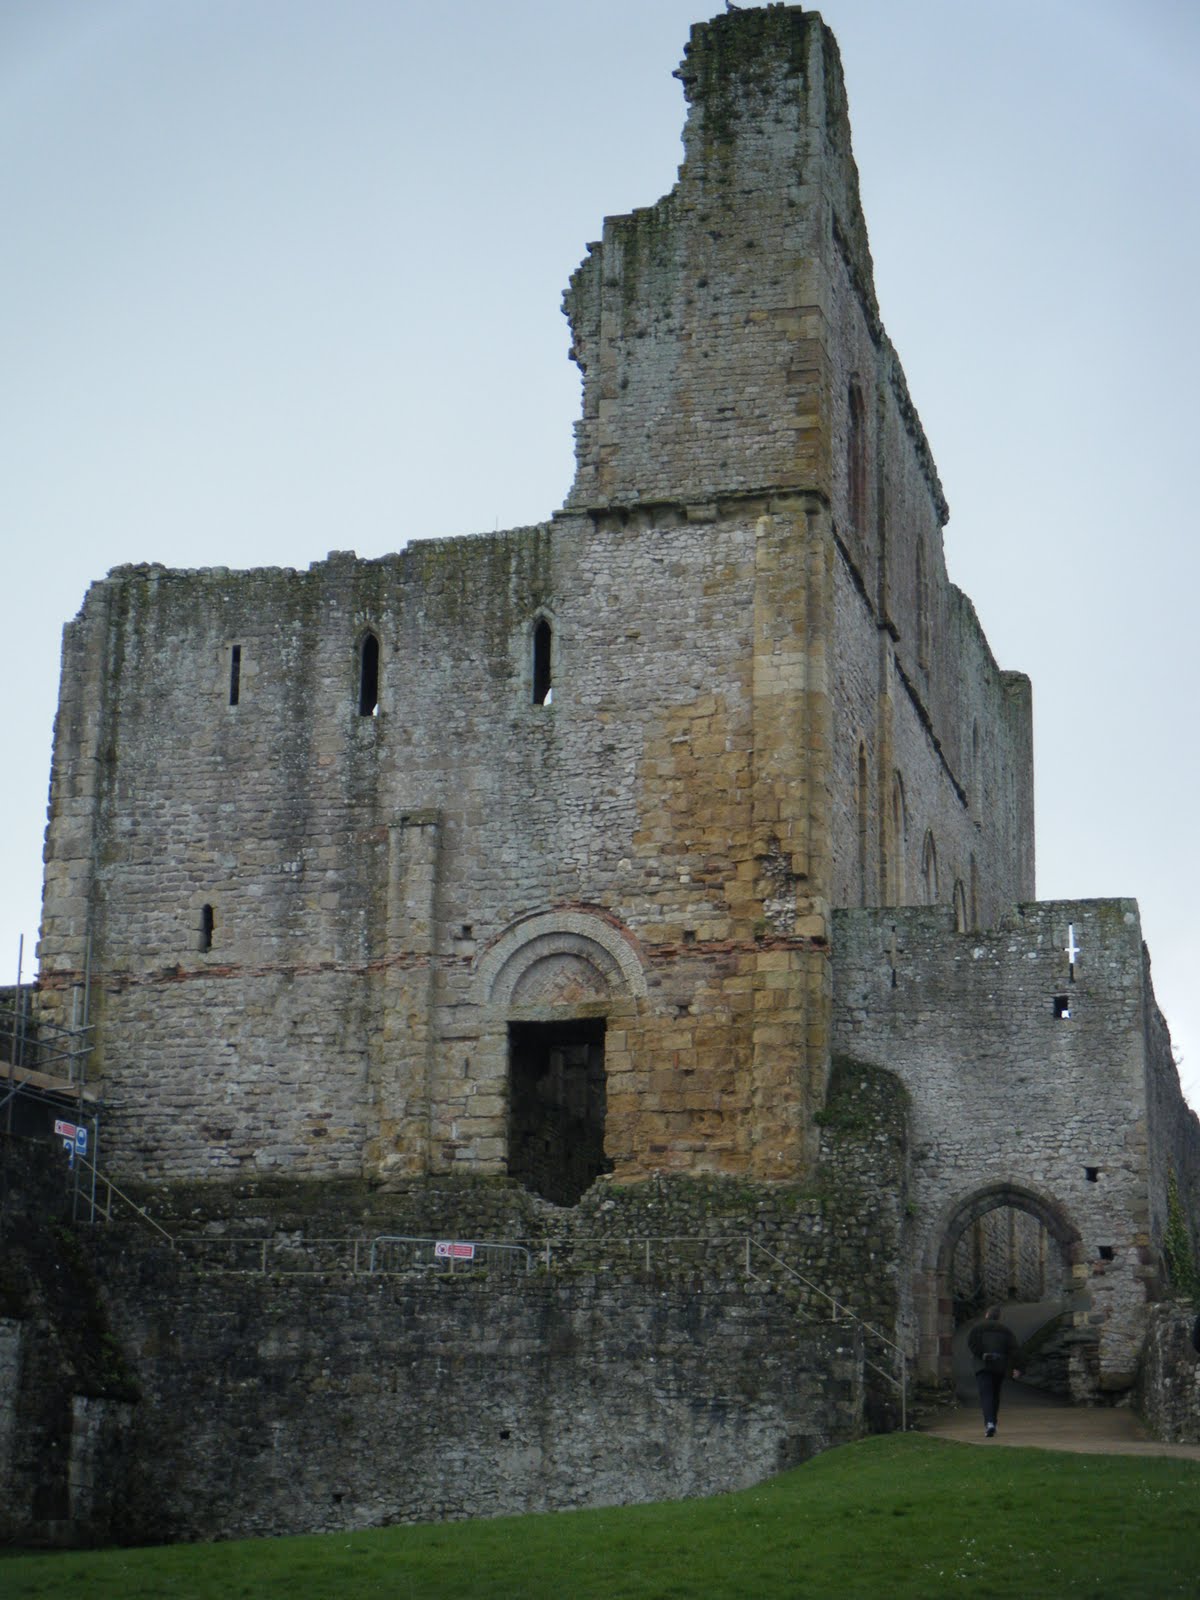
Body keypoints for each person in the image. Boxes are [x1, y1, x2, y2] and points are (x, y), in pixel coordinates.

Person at [968, 1305, 1021, 1438]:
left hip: (982, 1366)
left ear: (987, 1315)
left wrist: (982, 1354)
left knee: (986, 1395)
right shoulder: (1006, 1331)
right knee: (995, 1395)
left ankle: (989, 1423)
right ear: (998, 1317)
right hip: (999, 1366)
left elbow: (972, 1344)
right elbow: (1014, 1350)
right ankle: (993, 1422)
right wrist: (1017, 1367)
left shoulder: (977, 1329)